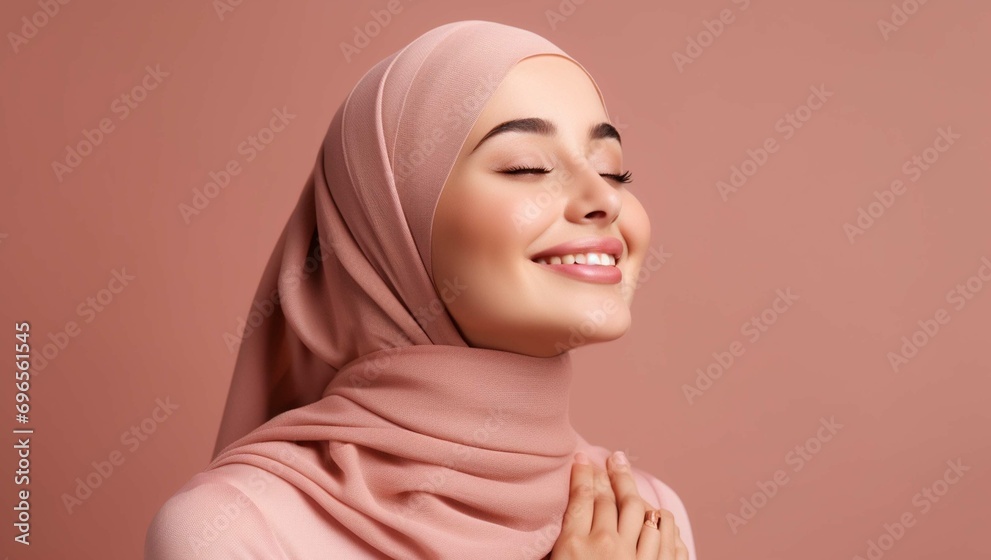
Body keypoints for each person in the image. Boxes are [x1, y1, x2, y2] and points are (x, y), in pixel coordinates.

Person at [144, 19, 695, 559]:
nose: (607, 198)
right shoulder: (231, 529)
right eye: (527, 167)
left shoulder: (644, 518)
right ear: (387, 222)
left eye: (613, 170)